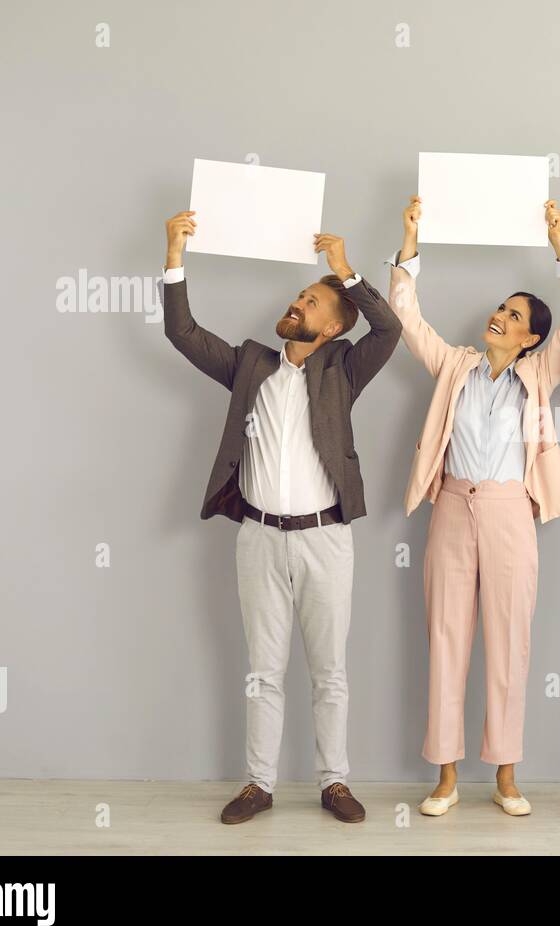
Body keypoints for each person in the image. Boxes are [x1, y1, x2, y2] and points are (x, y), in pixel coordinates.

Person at [160, 210, 401, 825]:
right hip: (260, 539)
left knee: (330, 671)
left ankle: (335, 784)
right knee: (262, 670)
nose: (298, 303)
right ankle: (258, 785)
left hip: (326, 538)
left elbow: (389, 328)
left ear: (333, 326)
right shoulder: (250, 364)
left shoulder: (344, 368)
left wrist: (344, 273)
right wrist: (175, 254)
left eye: (312, 301)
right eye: (299, 296)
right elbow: (182, 331)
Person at [387, 196, 560, 817]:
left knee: (509, 641)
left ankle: (505, 775)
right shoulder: (455, 366)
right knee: (446, 636)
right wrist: (410, 243)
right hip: (450, 508)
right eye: (501, 308)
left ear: (531, 336)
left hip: (508, 516)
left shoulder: (540, 374)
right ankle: (446, 777)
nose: (499, 317)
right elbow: (404, 316)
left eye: (513, 314)